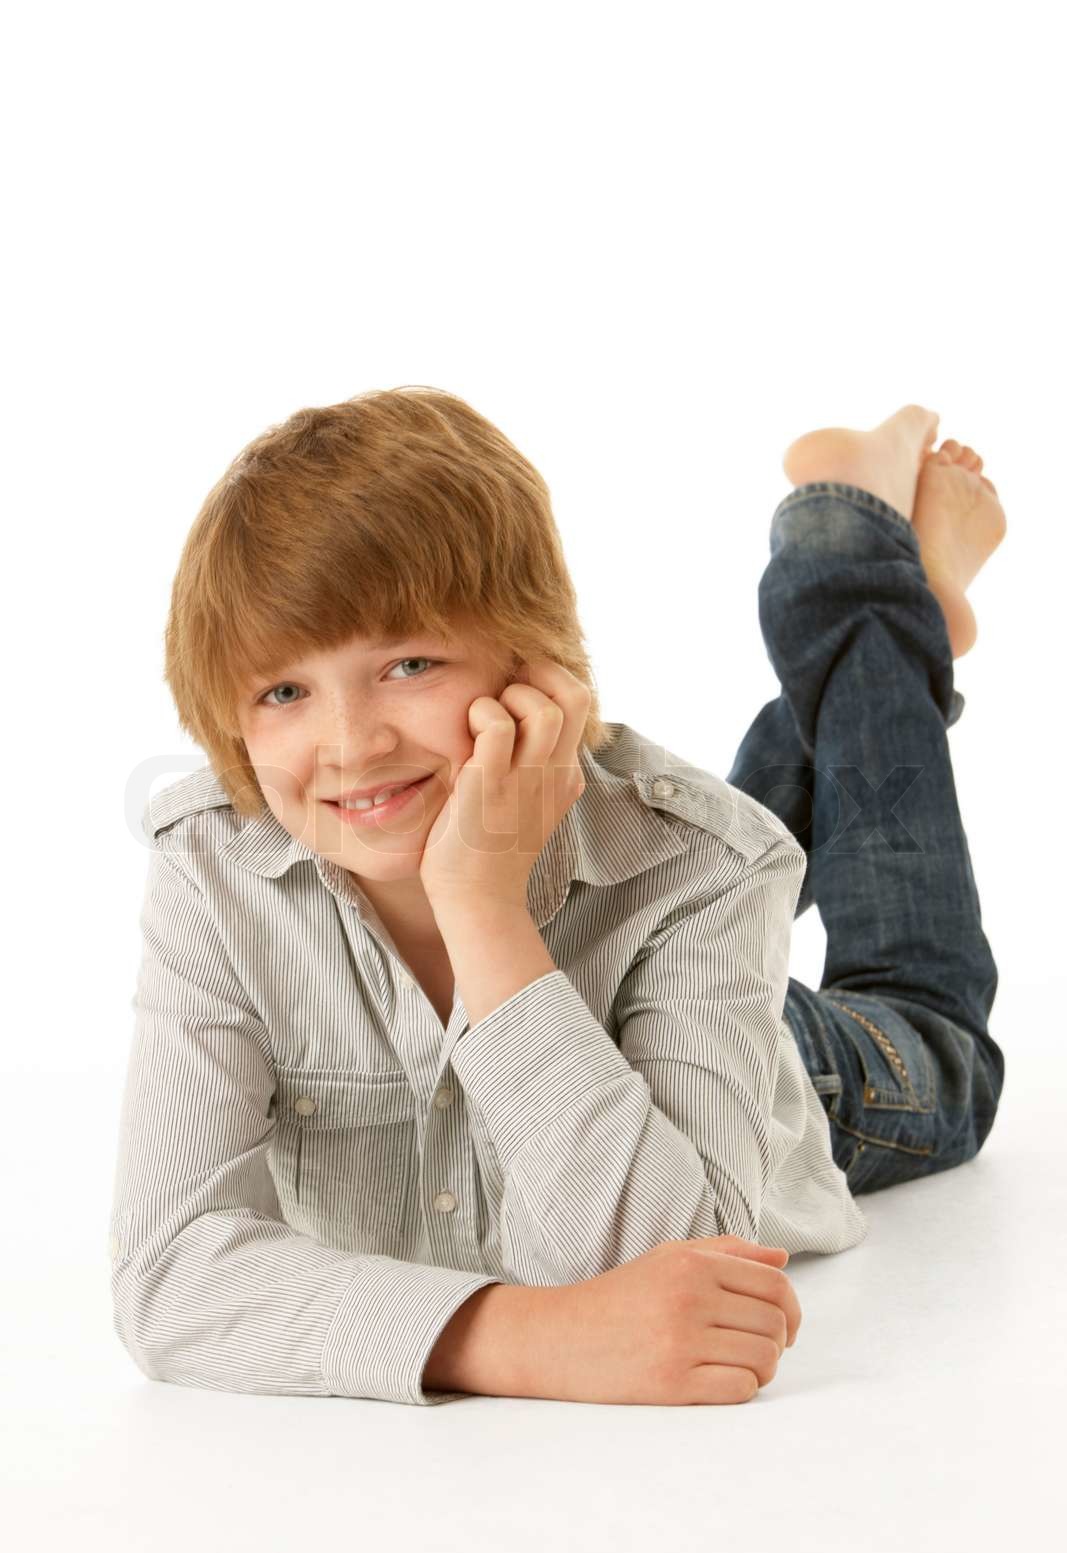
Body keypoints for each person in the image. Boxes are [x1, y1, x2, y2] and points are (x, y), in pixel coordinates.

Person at [108, 391, 1005, 1408]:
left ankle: (850, 557)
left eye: (408, 663)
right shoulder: (210, 863)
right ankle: (879, 586)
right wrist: (521, 1337)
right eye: (283, 692)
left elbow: (676, 1279)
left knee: (933, 1030)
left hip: (793, 1073)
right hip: (658, 933)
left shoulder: (710, 866)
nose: (351, 743)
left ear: (533, 663)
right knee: (686, 845)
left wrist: (480, 903)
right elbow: (167, 1275)